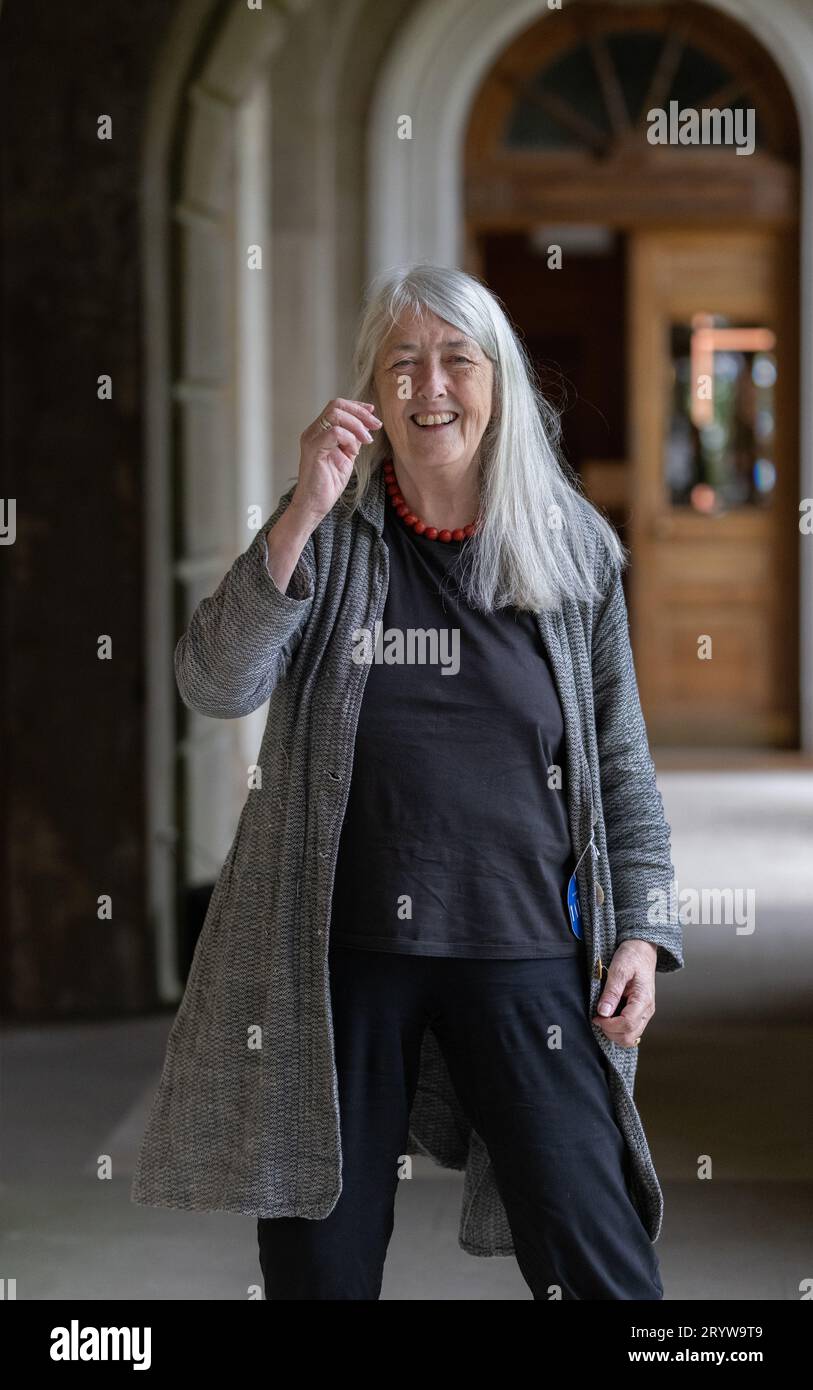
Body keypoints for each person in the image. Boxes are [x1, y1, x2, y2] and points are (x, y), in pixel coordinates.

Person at [131, 263, 683, 1301]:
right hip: (341, 955)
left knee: (600, 1256)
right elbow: (213, 681)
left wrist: (644, 931)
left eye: (457, 360)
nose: (432, 385)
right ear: (372, 396)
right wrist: (300, 507)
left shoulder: (571, 552)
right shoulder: (329, 539)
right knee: (319, 1270)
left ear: (498, 383)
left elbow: (622, 765)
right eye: (404, 363)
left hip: (522, 944)